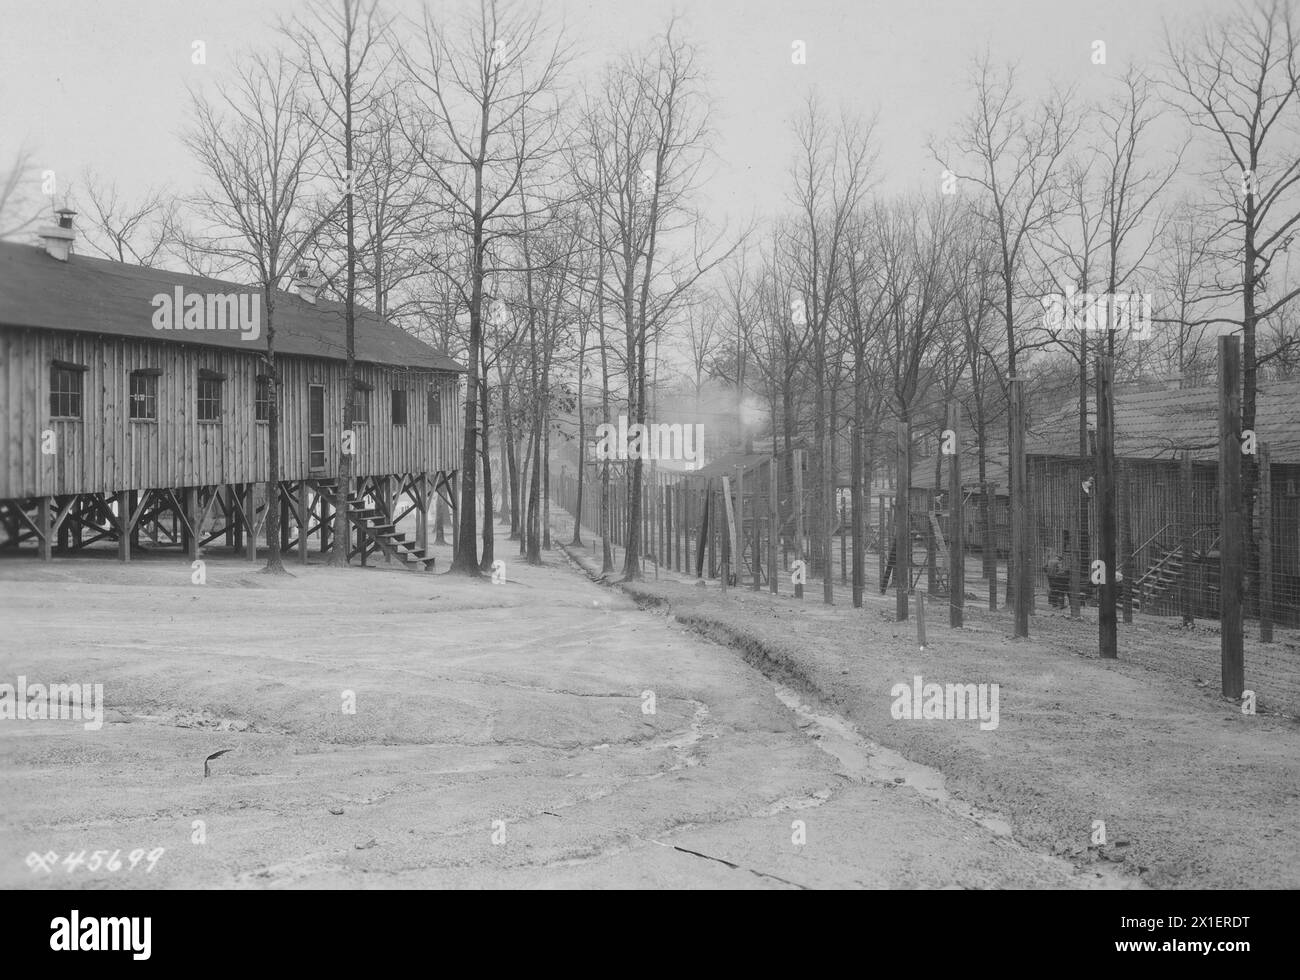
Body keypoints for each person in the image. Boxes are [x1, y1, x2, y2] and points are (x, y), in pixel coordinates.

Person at [1044, 534, 1070, 609]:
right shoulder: (1057, 562)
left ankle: (1052, 603)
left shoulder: (1050, 560)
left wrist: (1047, 572)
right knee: (1060, 590)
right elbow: (1060, 570)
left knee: (1052, 590)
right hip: (1055, 578)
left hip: (1049, 577)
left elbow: (1044, 567)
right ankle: (1060, 604)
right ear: (1060, 559)